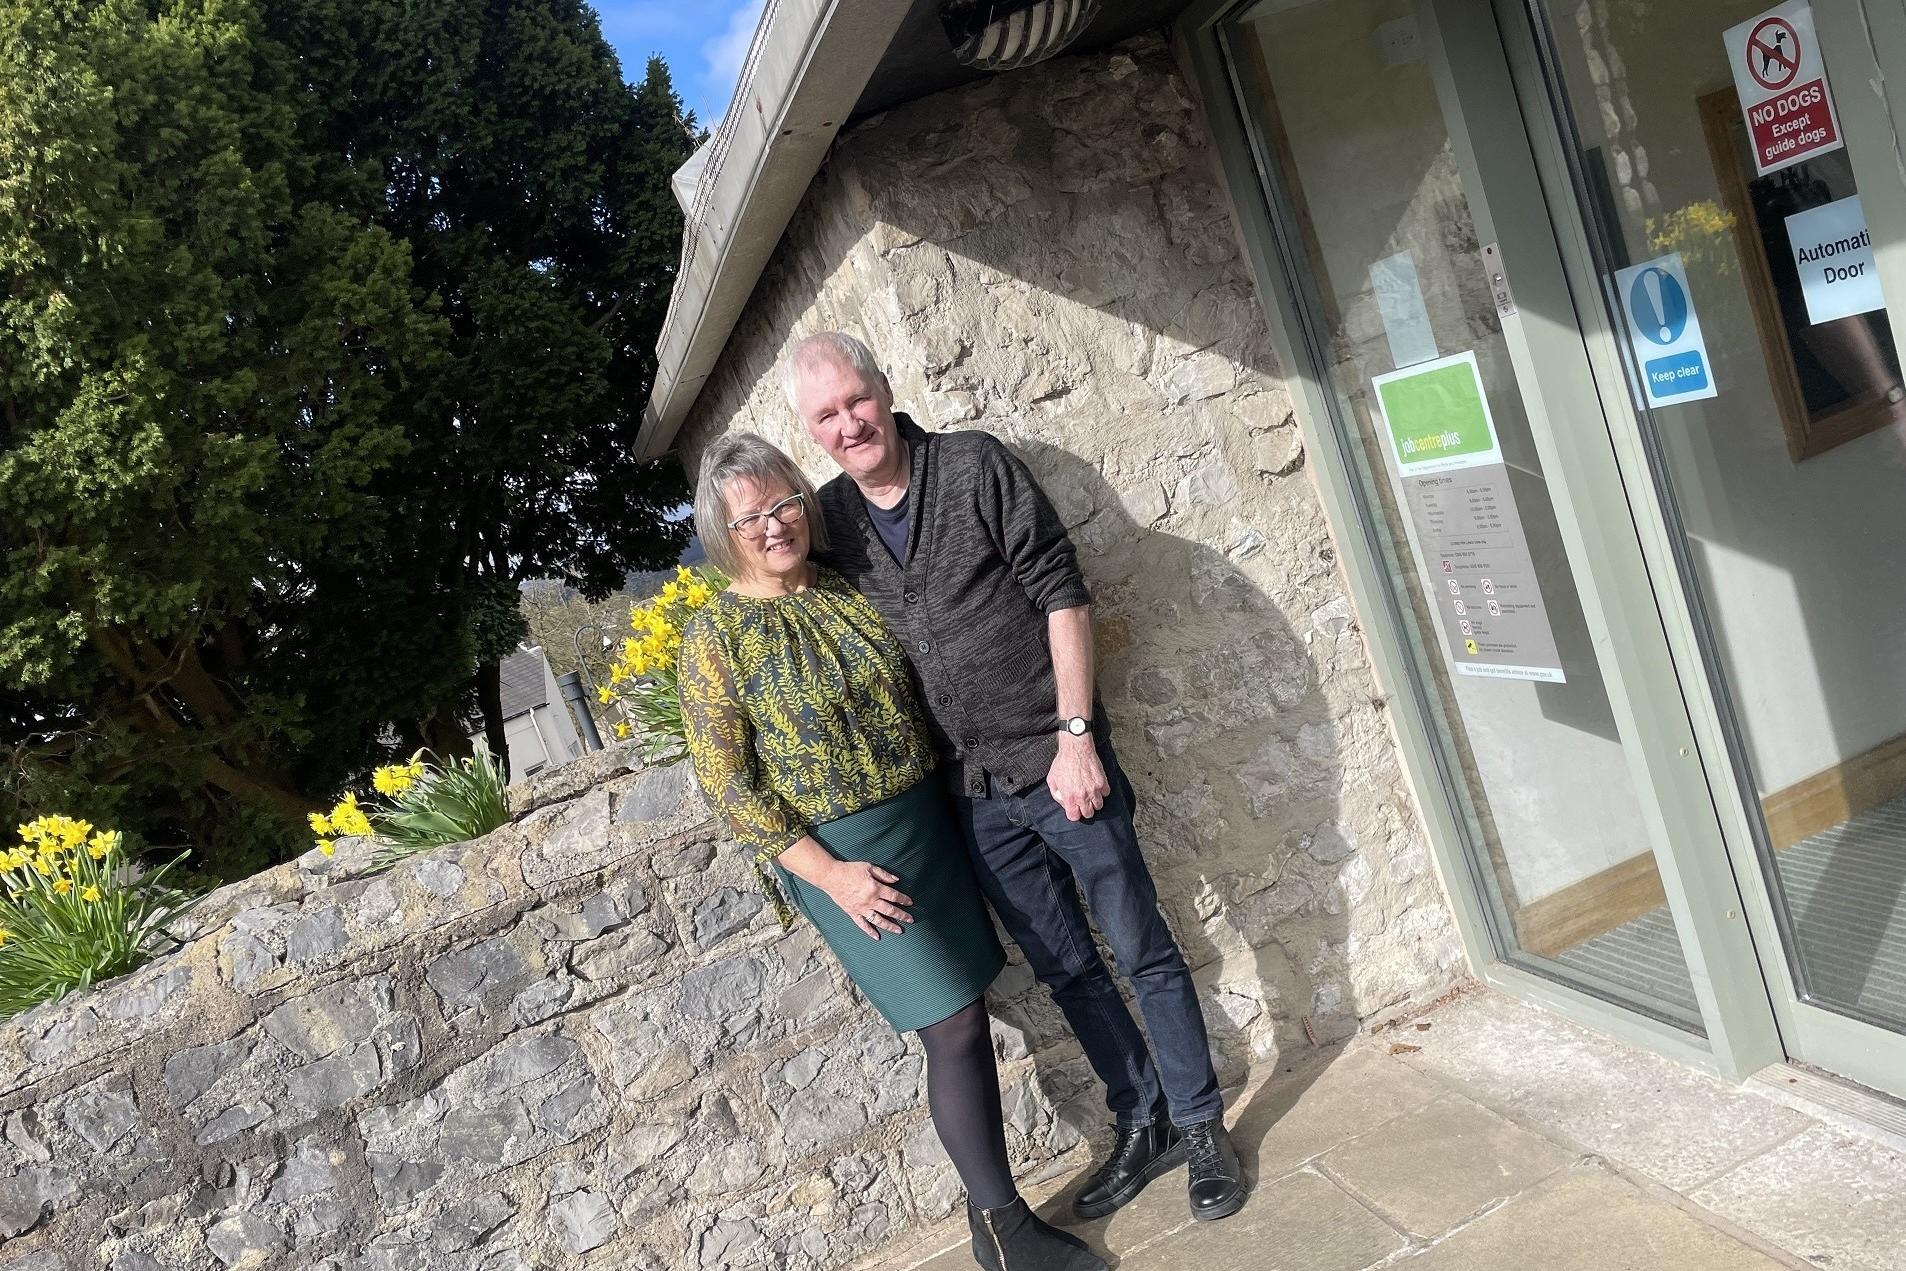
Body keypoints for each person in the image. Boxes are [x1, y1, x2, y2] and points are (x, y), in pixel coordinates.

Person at [788, 332, 1248, 1223]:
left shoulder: (972, 466)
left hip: (1058, 763)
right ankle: (1143, 1118)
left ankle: (1200, 1125)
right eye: (827, 415)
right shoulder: (832, 523)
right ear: (812, 431)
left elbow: (1061, 595)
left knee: (1141, 946)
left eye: (857, 400)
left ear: (885, 389)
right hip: (970, 794)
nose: (850, 424)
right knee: (1066, 967)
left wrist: (1077, 738)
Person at [678, 432, 1108, 1271]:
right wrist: (831, 876)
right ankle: (1006, 1228)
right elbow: (729, 786)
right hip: (847, 856)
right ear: (722, 534)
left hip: (929, 823)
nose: (774, 524)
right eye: (750, 517)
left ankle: (993, 1221)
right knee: (950, 1022)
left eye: (784, 502)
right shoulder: (715, 637)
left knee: (971, 1006)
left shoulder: (846, 585)